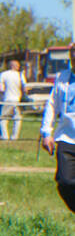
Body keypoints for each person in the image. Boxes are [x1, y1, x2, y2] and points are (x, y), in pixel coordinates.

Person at [40, 44, 75, 213]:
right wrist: (46, 132)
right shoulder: (62, 77)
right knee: (64, 181)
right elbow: (52, 106)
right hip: (66, 137)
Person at [0, 60, 24, 141]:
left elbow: (1, 89)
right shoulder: (20, 75)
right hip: (17, 100)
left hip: (7, 99)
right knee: (17, 119)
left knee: (2, 119)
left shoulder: (4, 74)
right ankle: (14, 136)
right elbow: (24, 87)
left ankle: (4, 136)